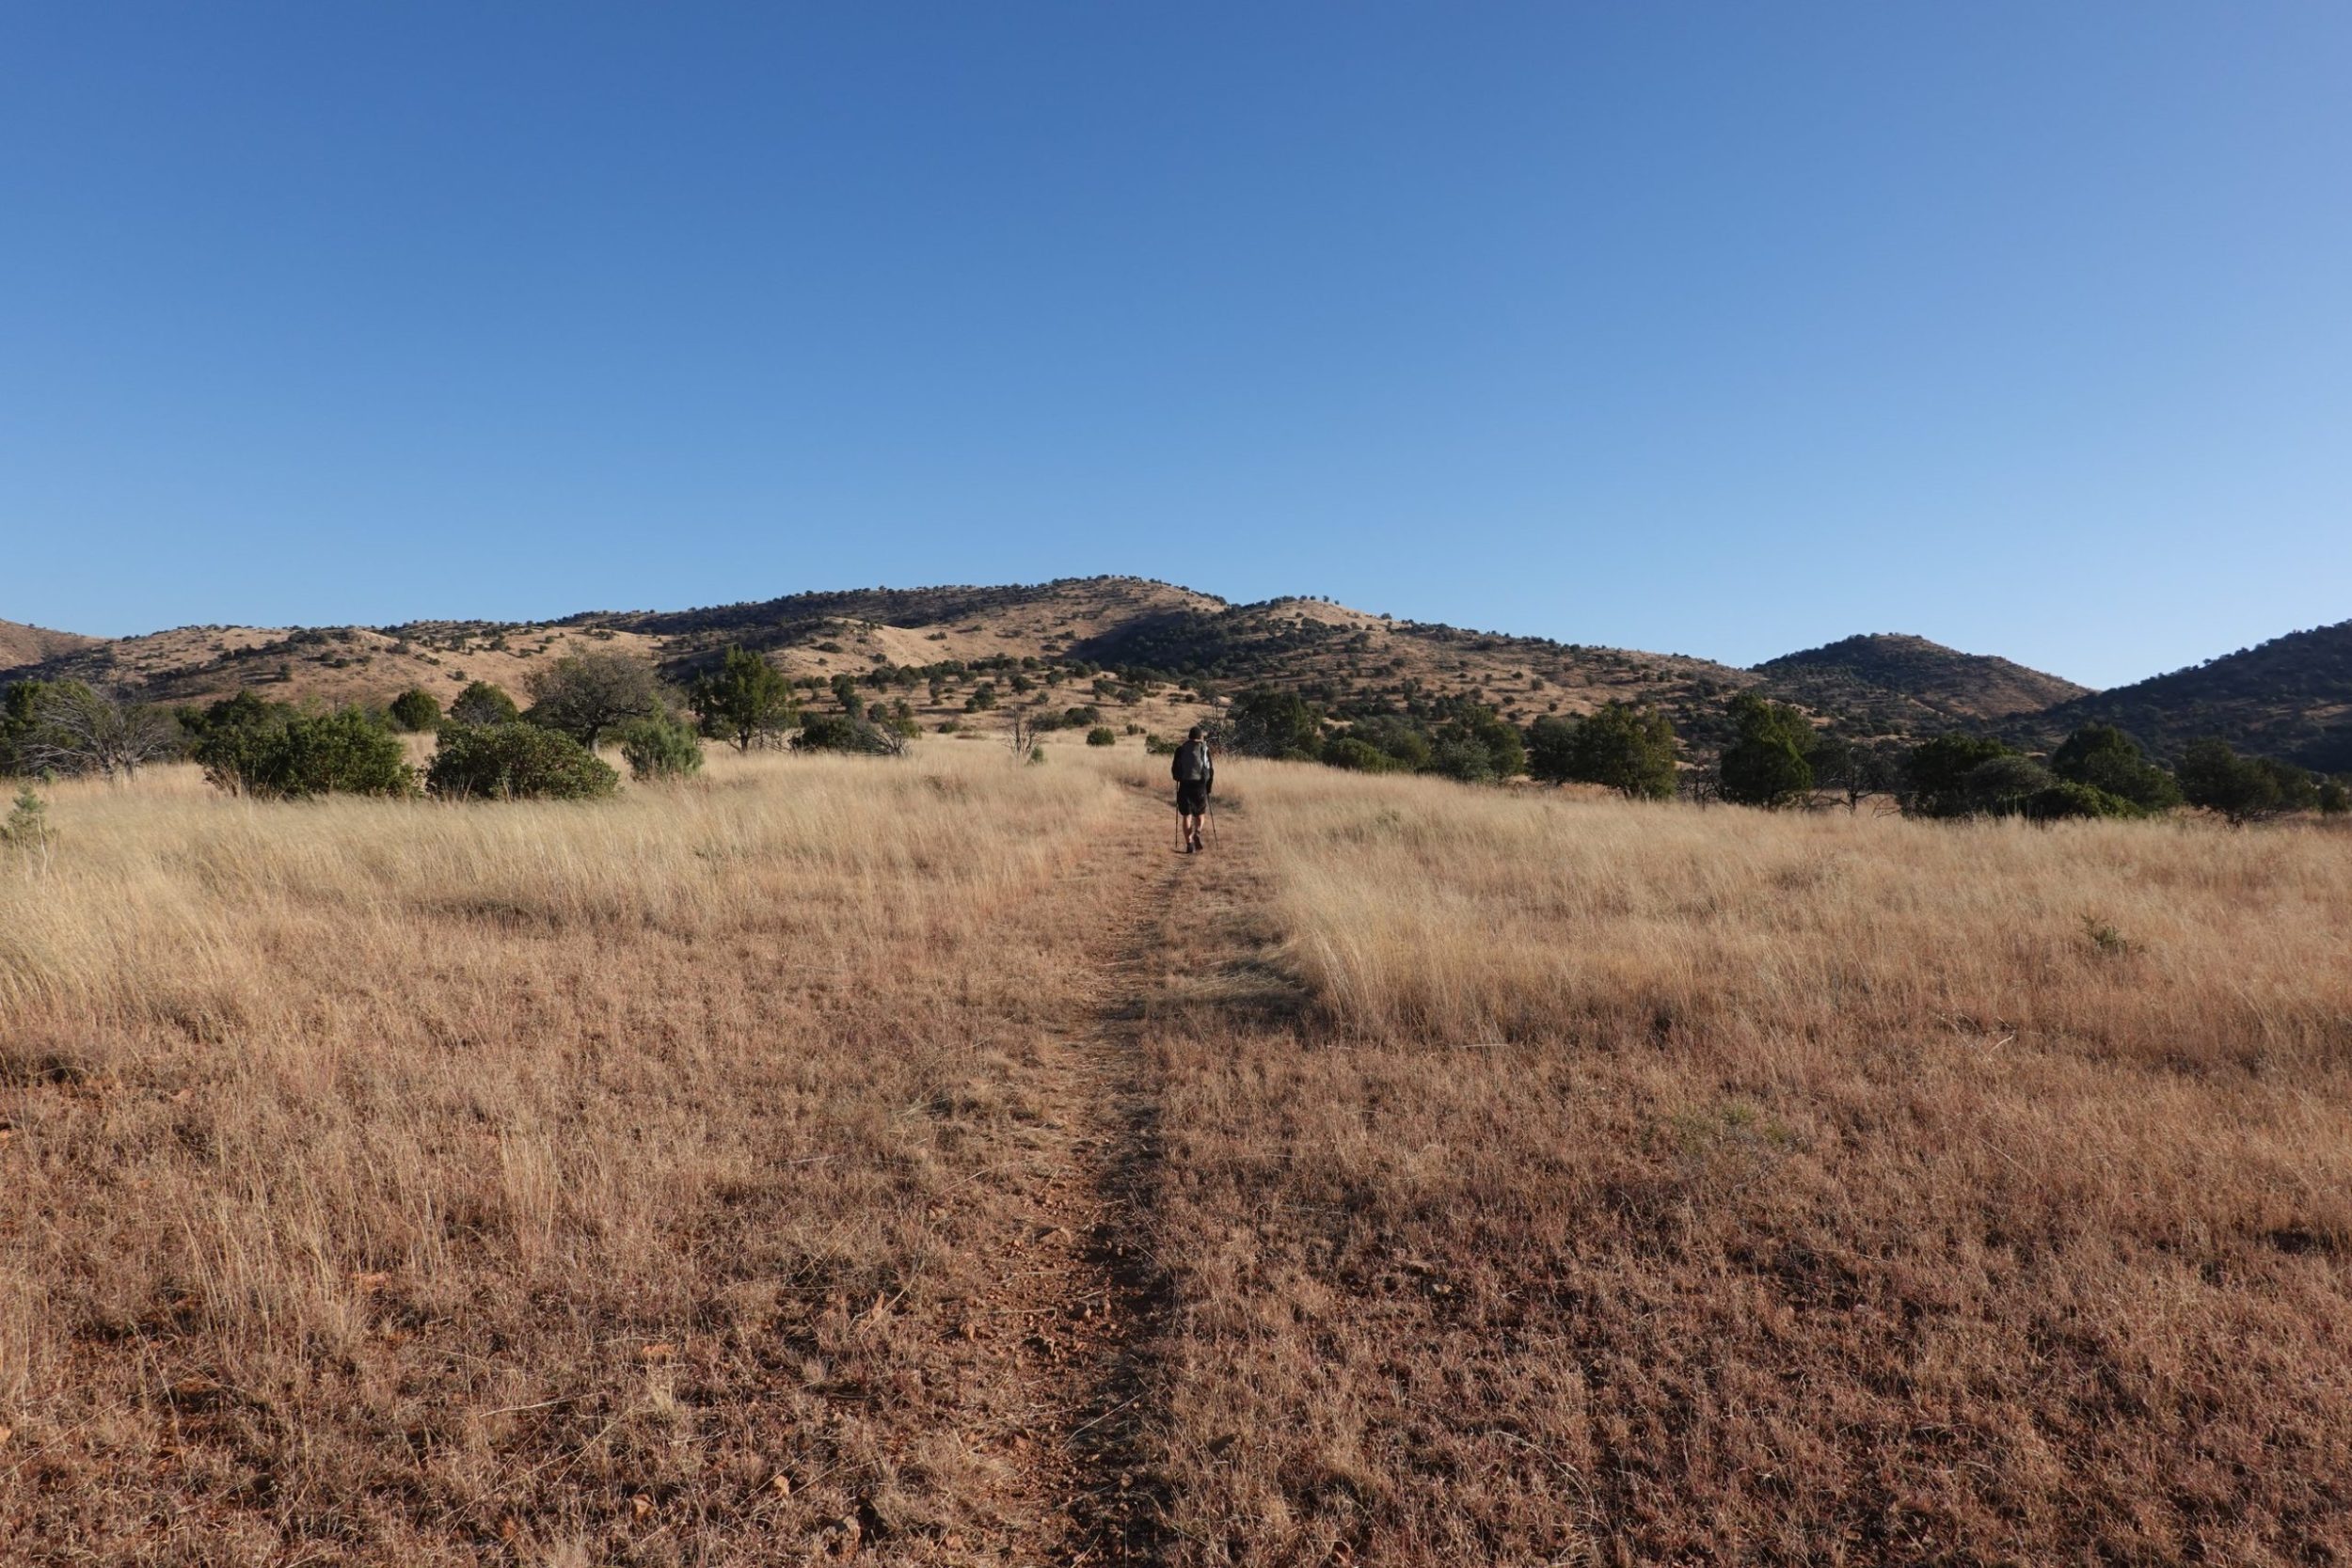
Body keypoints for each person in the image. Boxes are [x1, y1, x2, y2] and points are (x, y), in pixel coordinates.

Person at [1171, 725, 1215, 852]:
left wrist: (1178, 778)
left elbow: (1175, 770)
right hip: (1200, 785)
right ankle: (1198, 832)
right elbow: (1210, 770)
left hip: (1185, 785)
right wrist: (1208, 788)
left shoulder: (1180, 749)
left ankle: (1189, 845)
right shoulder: (1204, 749)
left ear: (1189, 737)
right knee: (1200, 814)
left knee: (1187, 816)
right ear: (1200, 737)